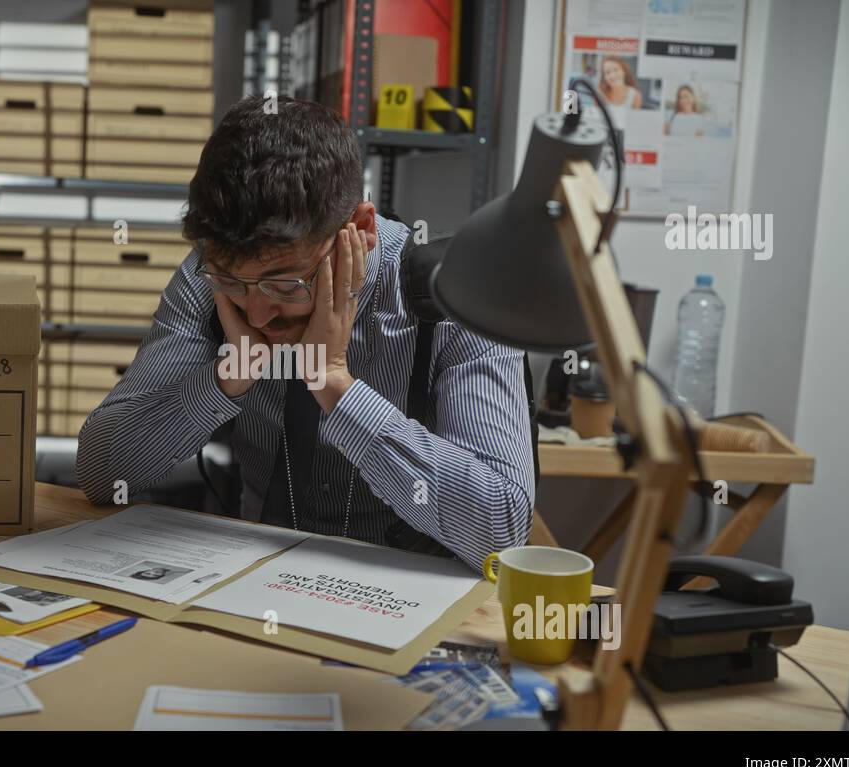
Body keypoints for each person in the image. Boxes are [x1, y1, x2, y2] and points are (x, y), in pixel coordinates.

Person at [75, 95, 535, 574]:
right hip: (254, 578)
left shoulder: (453, 295)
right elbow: (100, 473)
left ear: (359, 228)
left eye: (284, 282)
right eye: (234, 281)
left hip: (412, 591)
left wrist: (335, 385)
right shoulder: (206, 282)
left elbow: (500, 529)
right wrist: (226, 377)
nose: (257, 312)